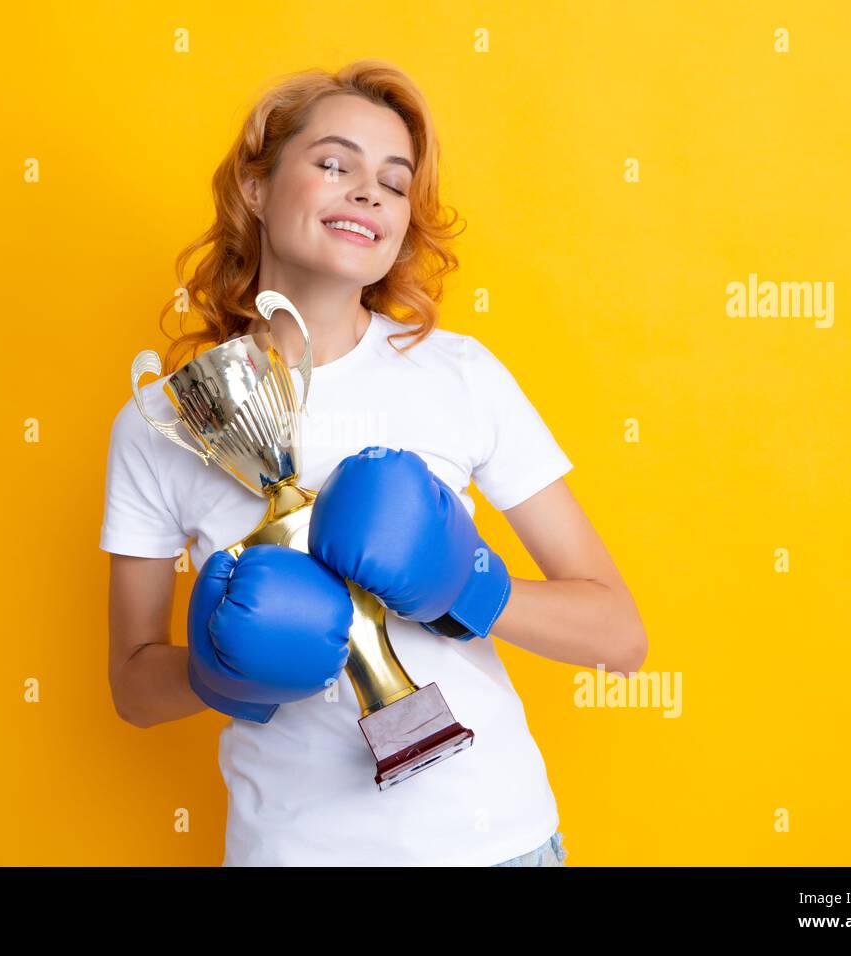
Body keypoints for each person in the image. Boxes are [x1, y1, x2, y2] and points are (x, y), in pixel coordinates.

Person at [101, 60, 646, 866]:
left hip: (495, 843)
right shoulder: (166, 422)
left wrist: (469, 585)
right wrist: (218, 674)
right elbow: (134, 690)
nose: (369, 194)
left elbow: (619, 636)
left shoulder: (457, 374)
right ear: (255, 186)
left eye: (394, 183)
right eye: (333, 164)